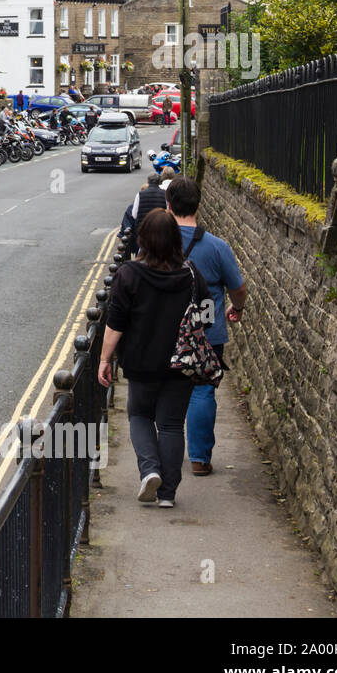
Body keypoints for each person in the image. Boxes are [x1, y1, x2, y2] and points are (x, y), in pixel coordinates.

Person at [99, 210, 211, 507]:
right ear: (175, 240)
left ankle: (149, 470)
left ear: (143, 239)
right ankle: (167, 494)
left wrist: (104, 359)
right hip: (181, 364)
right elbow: (207, 317)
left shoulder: (129, 275)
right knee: (172, 426)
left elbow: (116, 322)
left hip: (141, 364)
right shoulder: (191, 274)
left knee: (139, 415)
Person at [165, 176, 246, 476]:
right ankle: (199, 459)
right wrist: (236, 308)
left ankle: (162, 459)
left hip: (165, 330)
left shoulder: (158, 244)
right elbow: (238, 288)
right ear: (198, 205)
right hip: (206, 330)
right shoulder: (217, 247)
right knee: (201, 390)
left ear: (168, 205)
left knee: (167, 389)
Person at [121, 171, 166, 255]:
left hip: (143, 230)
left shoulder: (140, 194)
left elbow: (134, 214)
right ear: (159, 182)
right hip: (159, 229)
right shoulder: (164, 194)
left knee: (143, 251)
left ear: (147, 181)